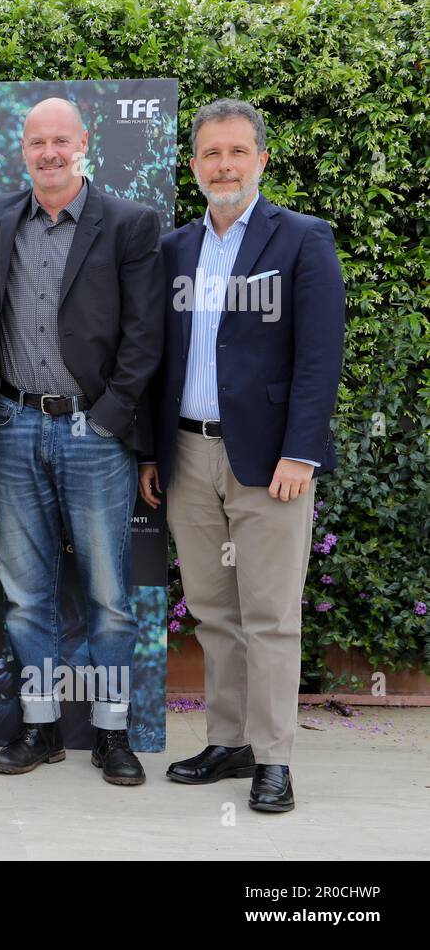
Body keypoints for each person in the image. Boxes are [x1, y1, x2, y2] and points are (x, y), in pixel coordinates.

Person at [140, 99, 345, 813]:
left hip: (270, 462)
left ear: (261, 158)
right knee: (213, 611)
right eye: (211, 154)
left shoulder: (303, 239)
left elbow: (320, 356)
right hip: (187, 453)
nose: (223, 166)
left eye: (236, 152)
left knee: (270, 616)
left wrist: (302, 453)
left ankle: (274, 758)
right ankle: (228, 742)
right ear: (194, 164)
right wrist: (152, 452)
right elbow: (158, 360)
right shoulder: (175, 250)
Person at [0, 98, 164, 785]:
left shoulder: (129, 223)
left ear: (84, 143)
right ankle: (40, 726)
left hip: (94, 429)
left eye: (61, 140)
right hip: (15, 423)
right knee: (26, 594)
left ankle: (112, 733)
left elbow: (146, 334)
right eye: (37, 142)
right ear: (22, 150)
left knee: (108, 596)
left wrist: (109, 417)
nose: (49, 153)